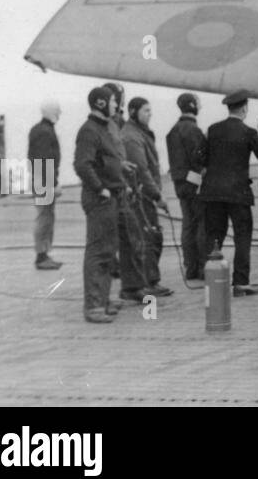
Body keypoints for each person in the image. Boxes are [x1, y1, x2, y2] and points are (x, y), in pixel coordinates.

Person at [200, 91, 258, 297]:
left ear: (229, 108)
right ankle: (241, 283)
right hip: (238, 193)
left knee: (214, 236)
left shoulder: (213, 130)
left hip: (212, 193)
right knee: (242, 237)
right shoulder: (249, 133)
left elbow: (201, 159)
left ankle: (213, 281)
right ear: (244, 108)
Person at [73, 86, 126, 323]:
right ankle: (94, 306)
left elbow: (106, 159)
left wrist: (121, 172)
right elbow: (82, 164)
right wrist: (100, 188)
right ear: (102, 103)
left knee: (107, 250)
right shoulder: (89, 130)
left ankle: (102, 300)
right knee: (98, 251)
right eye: (114, 101)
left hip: (111, 195)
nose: (117, 105)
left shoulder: (102, 128)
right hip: (100, 199)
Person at [121, 97, 172, 296]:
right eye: (145, 111)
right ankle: (149, 282)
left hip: (144, 195)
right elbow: (141, 170)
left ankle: (146, 281)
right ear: (134, 112)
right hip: (142, 196)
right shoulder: (132, 136)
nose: (150, 114)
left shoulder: (138, 133)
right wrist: (157, 195)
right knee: (149, 237)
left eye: (150, 110)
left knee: (150, 236)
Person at [166, 93, 208, 280]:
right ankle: (201, 267)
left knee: (187, 224)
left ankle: (190, 267)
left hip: (179, 183)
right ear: (192, 105)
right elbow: (199, 160)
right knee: (201, 223)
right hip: (195, 183)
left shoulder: (172, 131)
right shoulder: (194, 131)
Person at [28, 100, 63, 270]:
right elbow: (45, 160)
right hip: (44, 181)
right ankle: (41, 256)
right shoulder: (45, 132)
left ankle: (43, 254)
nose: (60, 113)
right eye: (58, 110)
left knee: (45, 217)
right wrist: (53, 184)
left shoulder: (39, 129)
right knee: (45, 218)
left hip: (39, 179)